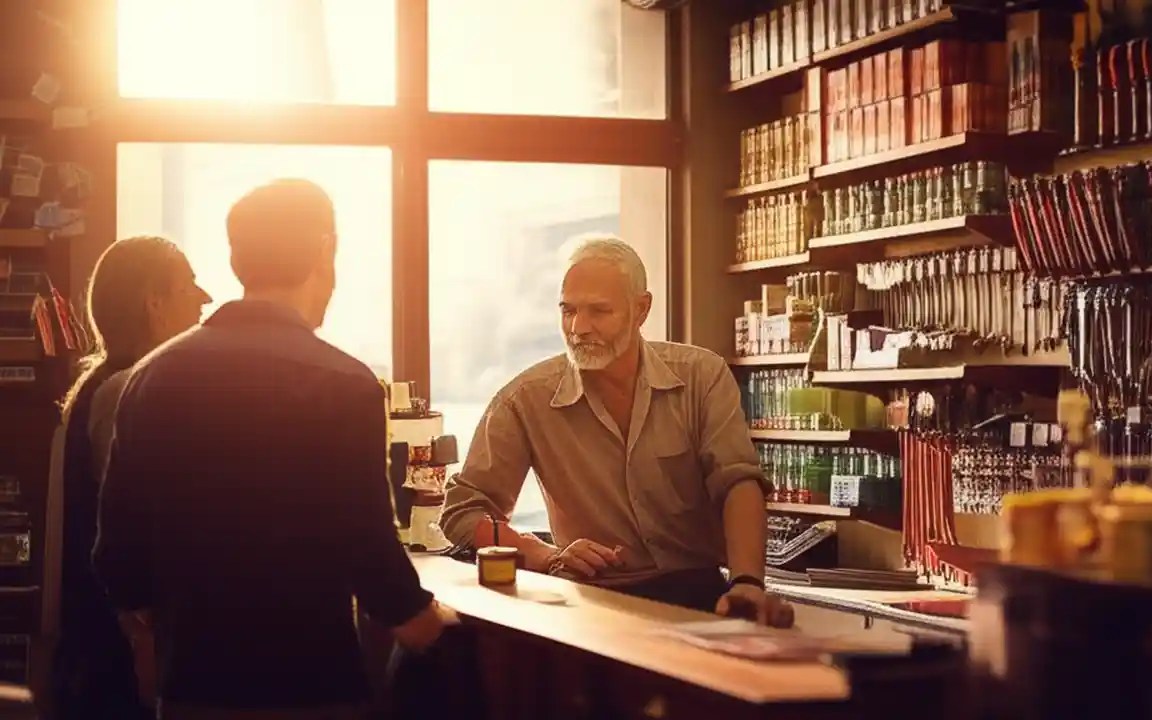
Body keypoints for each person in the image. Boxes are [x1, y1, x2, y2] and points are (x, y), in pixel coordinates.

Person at [93, 179, 451, 720]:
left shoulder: (152, 376)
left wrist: (158, 635)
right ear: (325, 250)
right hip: (314, 686)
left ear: (238, 258)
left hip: (191, 685)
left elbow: (117, 554)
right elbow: (371, 554)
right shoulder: (344, 383)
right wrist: (430, 623)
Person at [440, 235, 793, 627]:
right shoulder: (525, 399)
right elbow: (463, 510)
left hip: (696, 593)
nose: (579, 327)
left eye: (599, 311)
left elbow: (738, 480)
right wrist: (545, 555)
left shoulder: (701, 376)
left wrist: (747, 582)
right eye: (568, 310)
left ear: (641, 309)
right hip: (588, 601)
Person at [47, 236, 210, 719]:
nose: (205, 297)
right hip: (121, 648)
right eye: (189, 285)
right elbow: (140, 524)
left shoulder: (109, 382)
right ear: (154, 303)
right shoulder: (127, 390)